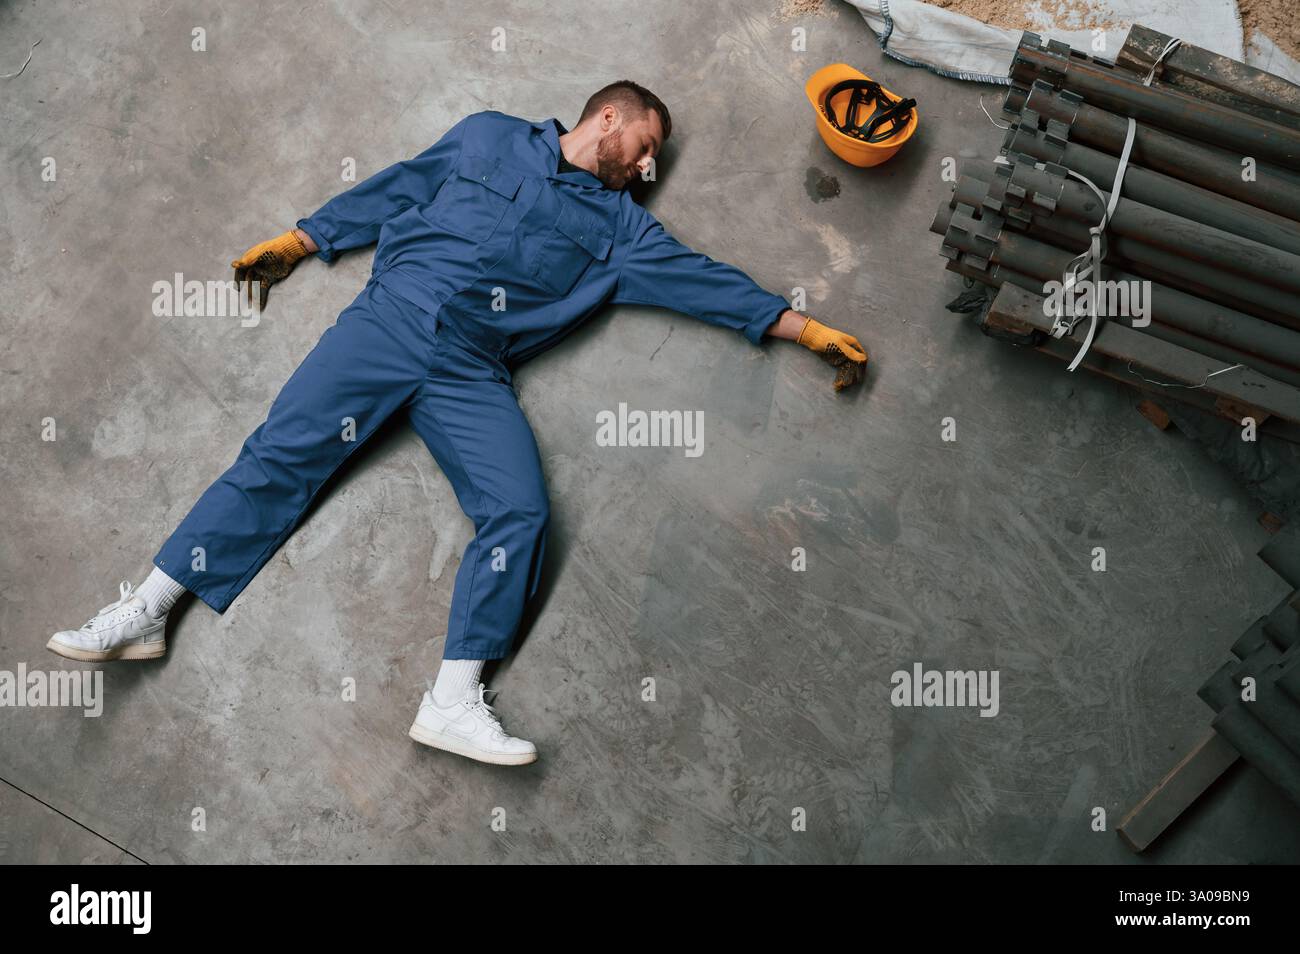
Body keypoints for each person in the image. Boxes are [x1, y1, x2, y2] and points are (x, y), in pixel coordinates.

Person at [46, 80, 868, 766]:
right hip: (388, 322)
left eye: (657, 161)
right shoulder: (488, 137)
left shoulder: (623, 230)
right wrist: (303, 239)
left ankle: (452, 699)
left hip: (469, 369)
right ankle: (146, 610)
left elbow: (703, 281)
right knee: (278, 457)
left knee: (521, 508)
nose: (650, 166)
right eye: (647, 145)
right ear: (608, 118)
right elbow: (403, 184)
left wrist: (807, 330)